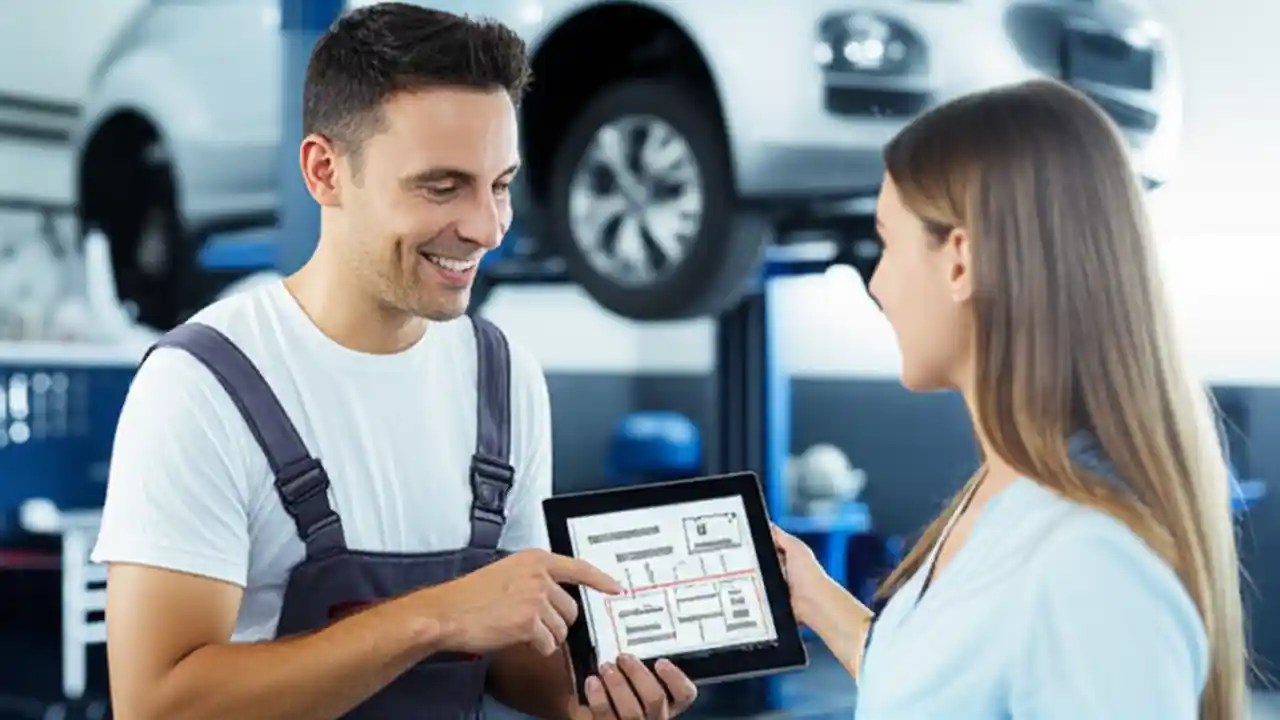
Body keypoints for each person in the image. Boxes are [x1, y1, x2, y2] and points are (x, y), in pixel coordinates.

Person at [91, 4, 698, 719]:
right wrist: (432, 617)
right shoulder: (200, 387)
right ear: (325, 172)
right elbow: (158, 705)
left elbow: (508, 644)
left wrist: (588, 698)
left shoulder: (501, 380)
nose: (485, 227)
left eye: (499, 184)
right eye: (442, 187)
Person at [772, 79, 1248, 720]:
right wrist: (812, 595)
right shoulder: (1003, 496)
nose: (878, 283)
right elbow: (940, 687)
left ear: (961, 260)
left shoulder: (1090, 568)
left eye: (887, 242)